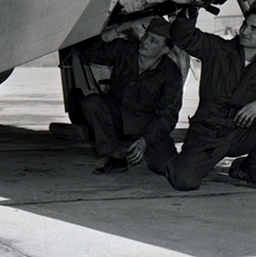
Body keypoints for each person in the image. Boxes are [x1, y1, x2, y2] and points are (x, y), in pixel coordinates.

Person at [166, 0, 256, 191]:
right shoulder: (216, 49)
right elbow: (183, 36)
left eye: (254, 29)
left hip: (240, 132)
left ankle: (253, 170)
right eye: (245, 25)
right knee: (183, 181)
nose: (245, 32)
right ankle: (177, 160)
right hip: (208, 133)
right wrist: (190, 12)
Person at [76, 17, 183, 175]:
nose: (145, 42)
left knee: (165, 167)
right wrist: (102, 36)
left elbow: (167, 116)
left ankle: (143, 150)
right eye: (146, 36)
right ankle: (115, 157)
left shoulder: (171, 74)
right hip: (117, 114)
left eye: (153, 41)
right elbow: (89, 54)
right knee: (92, 103)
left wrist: (145, 140)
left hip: (146, 124)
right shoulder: (124, 49)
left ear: (165, 50)